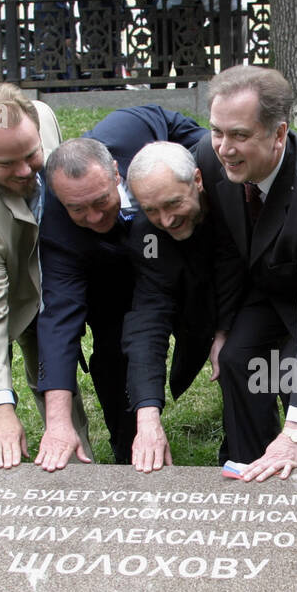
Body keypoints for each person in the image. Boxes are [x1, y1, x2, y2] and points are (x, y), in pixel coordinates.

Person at [198, 65, 297, 479]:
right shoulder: (210, 156)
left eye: (239, 135)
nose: (224, 148)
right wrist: (222, 328)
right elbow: (227, 249)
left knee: (295, 371)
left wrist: (294, 431)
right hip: (270, 280)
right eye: (218, 131)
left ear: (279, 134)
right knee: (237, 359)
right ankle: (250, 466)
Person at [35, 105, 207, 470]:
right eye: (78, 209)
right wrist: (58, 420)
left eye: (101, 201)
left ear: (117, 172)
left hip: (174, 249)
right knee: (114, 355)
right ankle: (133, 451)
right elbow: (59, 321)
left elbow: (188, 131)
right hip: (108, 278)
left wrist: (202, 159)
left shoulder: (129, 130)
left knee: (214, 331)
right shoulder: (58, 228)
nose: (95, 217)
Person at [0, 83, 90, 470]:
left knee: (56, 379)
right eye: (8, 164)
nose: (26, 170)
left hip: (48, 280)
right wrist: (0, 404)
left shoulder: (41, 117)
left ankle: (80, 473)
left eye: (31, 155)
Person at [121, 140, 225, 473]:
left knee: (243, 359)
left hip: (255, 289)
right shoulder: (148, 237)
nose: (165, 220)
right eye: (151, 210)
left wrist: (226, 330)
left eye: (172, 203)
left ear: (197, 180)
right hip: (191, 300)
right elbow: (149, 316)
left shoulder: (232, 190)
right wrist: (148, 413)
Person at [67, 0, 128, 86]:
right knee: (98, 64)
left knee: (113, 65)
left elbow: (120, 0)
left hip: (112, 30)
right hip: (94, 30)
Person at [147, 0, 194, 88]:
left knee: (183, 61)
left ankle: (182, 92)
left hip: (181, 22)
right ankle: (156, 95)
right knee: (159, 62)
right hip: (161, 20)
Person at [34, 0, 77, 82]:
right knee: (57, 80)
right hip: (51, 47)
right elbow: (46, 23)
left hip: (61, 47)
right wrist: (64, 38)